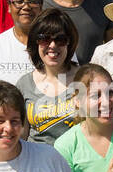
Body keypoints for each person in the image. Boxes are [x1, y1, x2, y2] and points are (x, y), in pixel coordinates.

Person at [15, 8, 81, 145]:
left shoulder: (85, 78)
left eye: (60, 40)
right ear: (35, 42)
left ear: (70, 42)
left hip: (75, 161)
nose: (52, 45)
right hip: (37, 161)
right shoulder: (24, 84)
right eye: (44, 39)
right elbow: (21, 134)